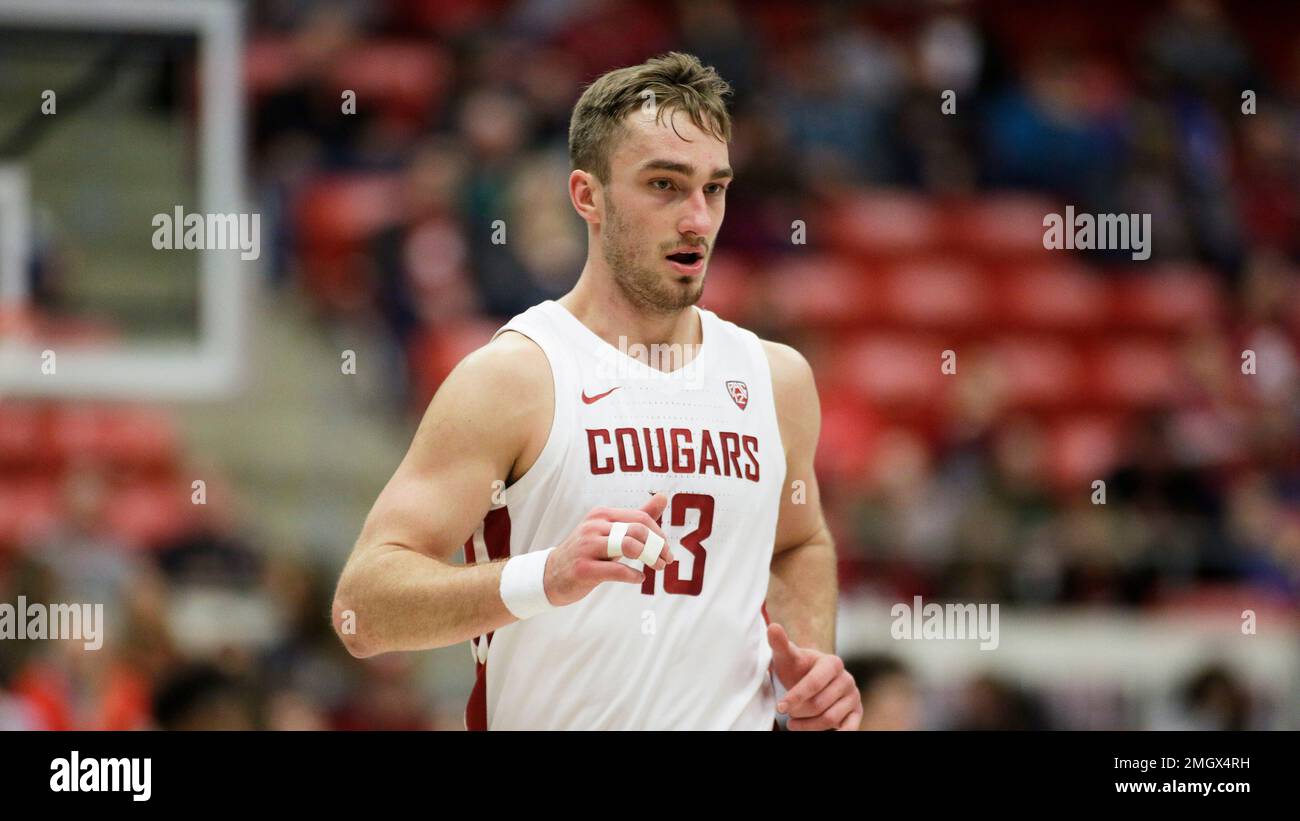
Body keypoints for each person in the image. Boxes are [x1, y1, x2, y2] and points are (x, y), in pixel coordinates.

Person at [332, 52, 860, 730]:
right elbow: (362, 611)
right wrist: (544, 576)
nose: (698, 219)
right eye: (665, 185)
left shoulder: (777, 379)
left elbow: (798, 541)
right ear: (588, 196)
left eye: (715, 188)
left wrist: (811, 656)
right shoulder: (515, 377)